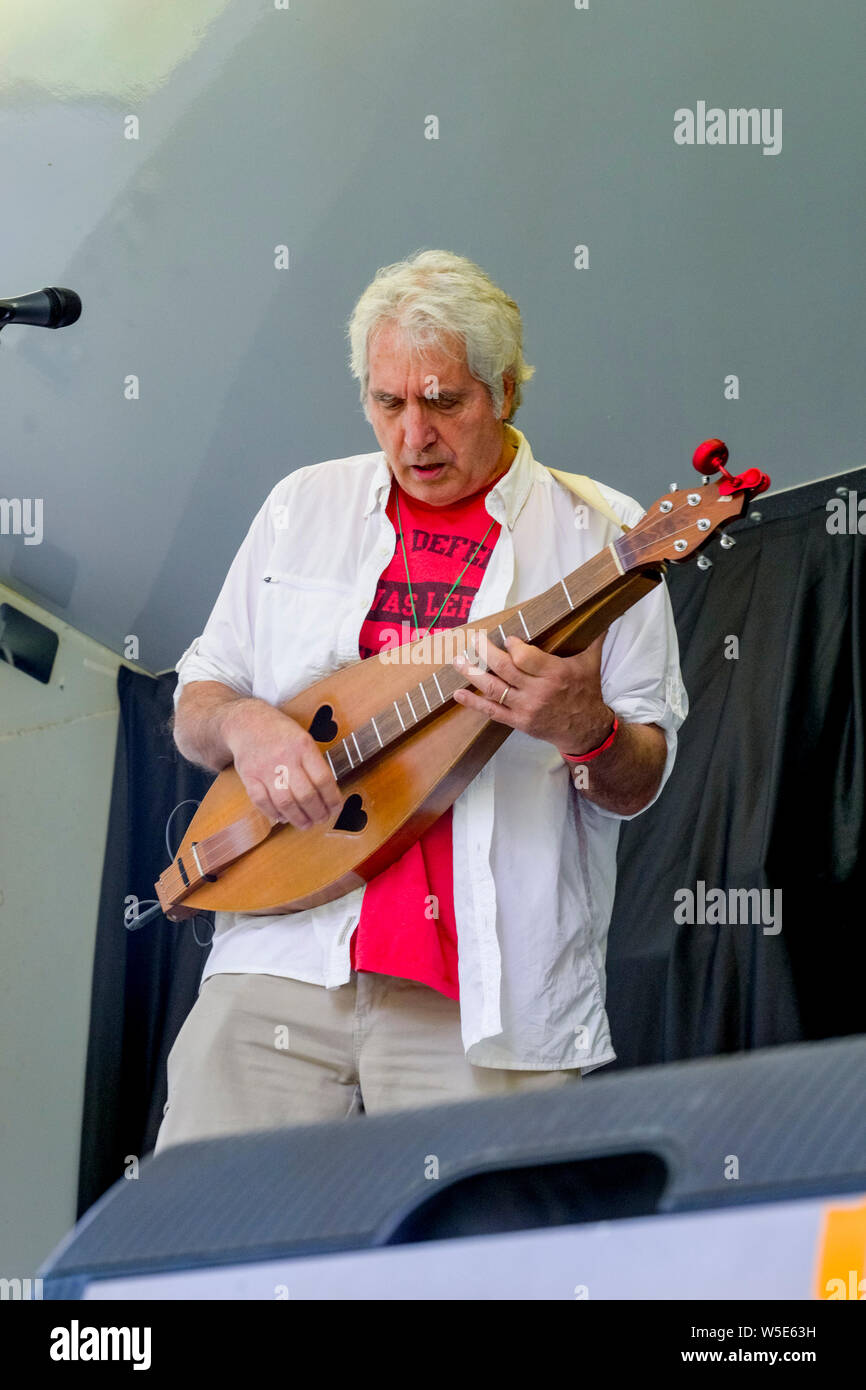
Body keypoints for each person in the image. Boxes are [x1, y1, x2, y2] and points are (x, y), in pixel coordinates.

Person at [154, 249, 687, 1152]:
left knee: (478, 1271)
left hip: (484, 991)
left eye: (445, 402)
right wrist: (250, 727)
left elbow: (643, 779)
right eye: (388, 402)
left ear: (506, 392)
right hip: (282, 958)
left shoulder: (603, 537)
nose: (414, 436)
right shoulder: (302, 505)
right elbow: (200, 693)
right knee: (205, 1252)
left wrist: (584, 730)